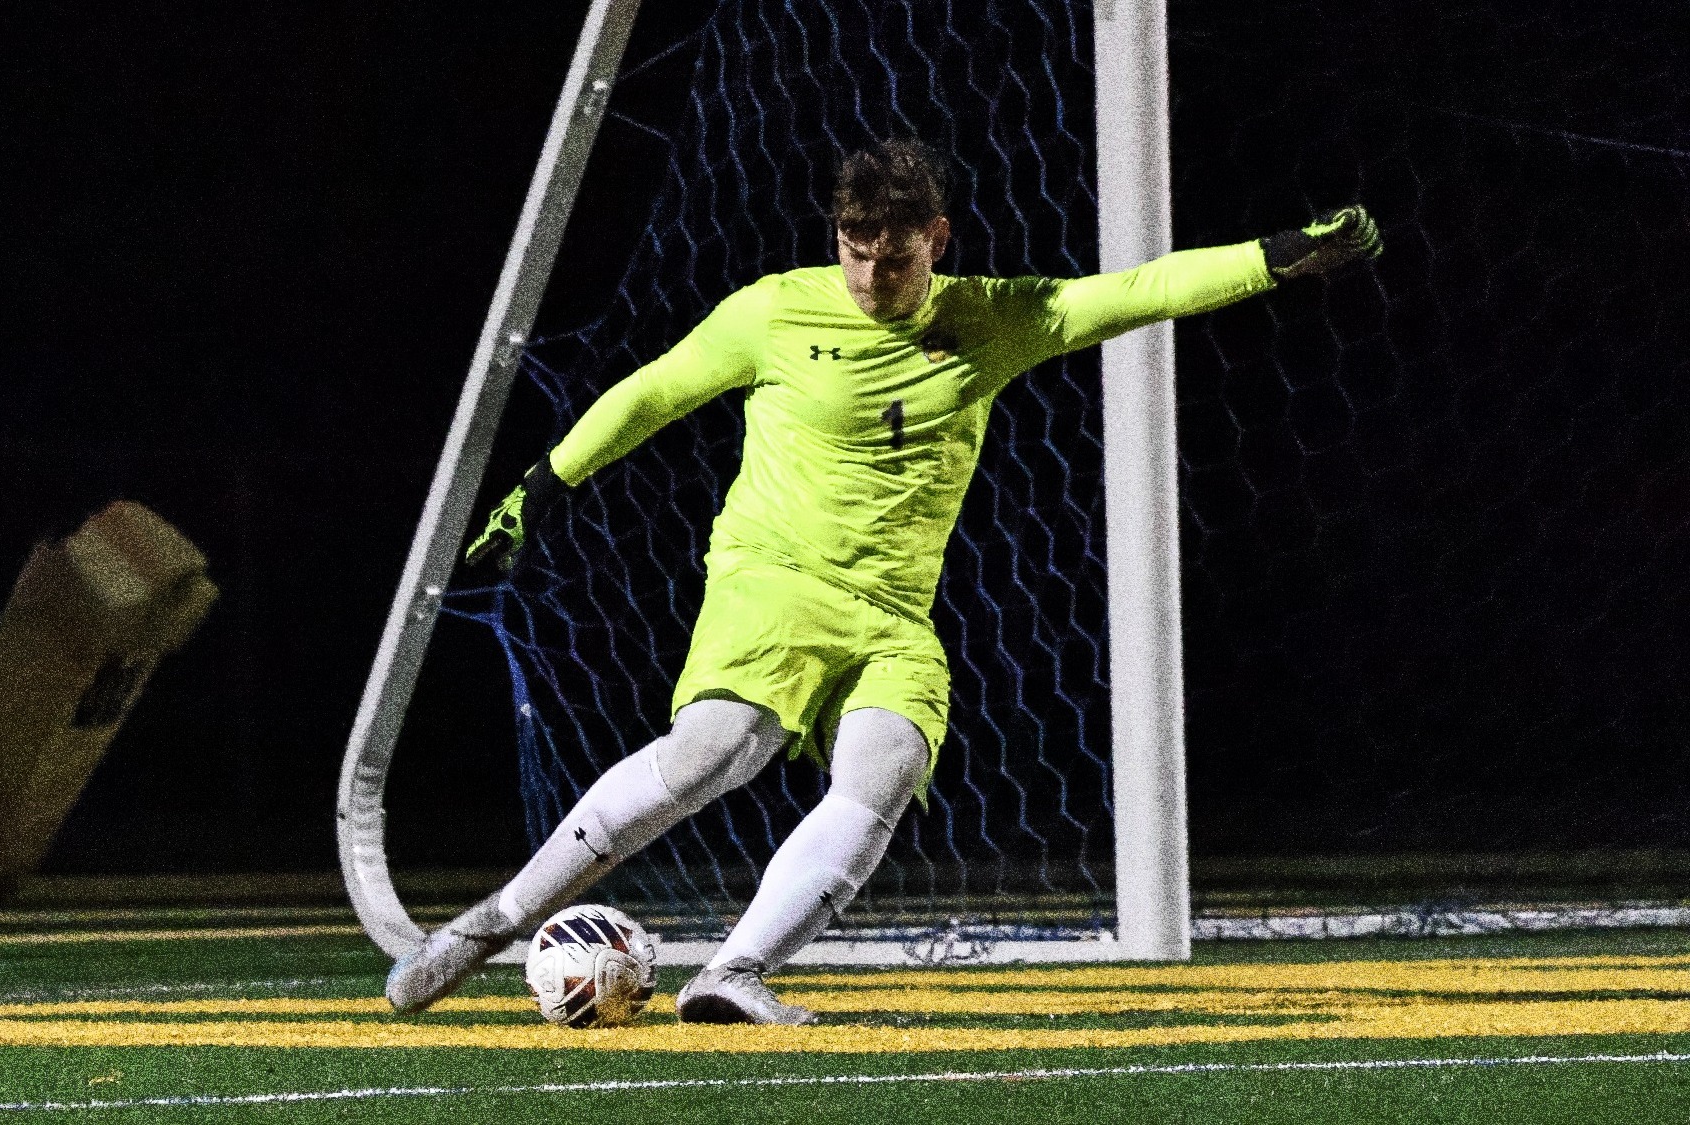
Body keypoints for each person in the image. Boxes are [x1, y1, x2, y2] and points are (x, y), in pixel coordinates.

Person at [387, 137, 1381, 1024]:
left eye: (892, 254)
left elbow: (1132, 292)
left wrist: (1274, 258)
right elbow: (651, 394)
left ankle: (732, 974)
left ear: (935, 239)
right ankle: (489, 925)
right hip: (769, 583)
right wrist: (539, 489)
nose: (869, 275)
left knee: (887, 765)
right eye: (853, 250)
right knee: (713, 751)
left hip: (891, 617)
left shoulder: (994, 318)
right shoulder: (773, 311)